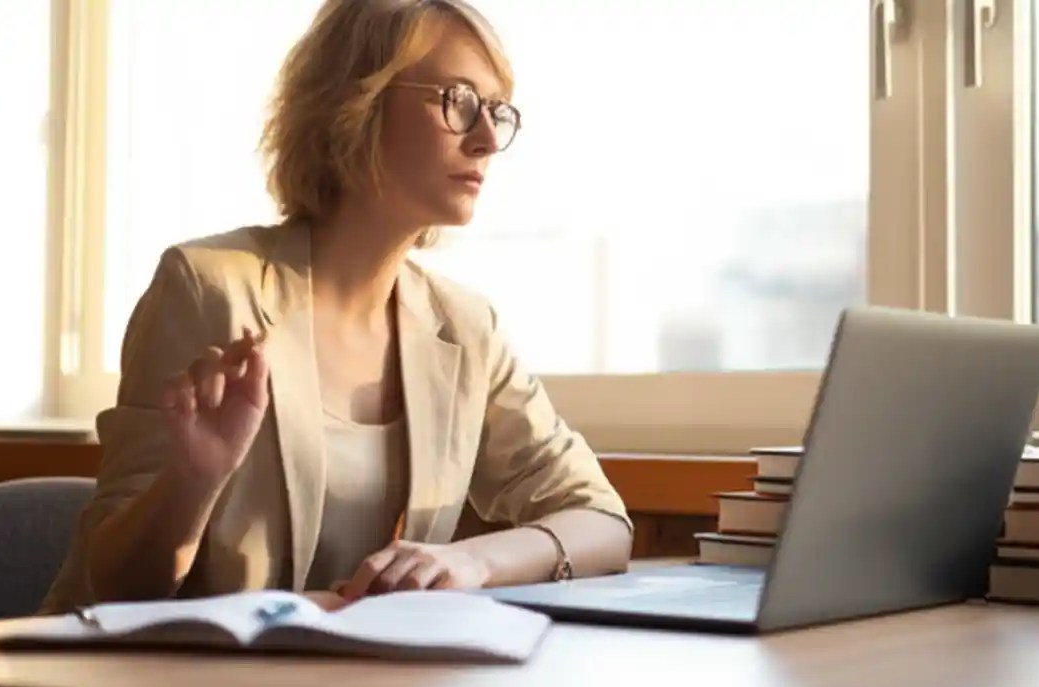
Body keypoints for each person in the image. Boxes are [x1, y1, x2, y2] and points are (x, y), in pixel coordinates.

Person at [40, 0, 631, 615]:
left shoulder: (466, 328)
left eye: (497, 112)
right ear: (356, 103)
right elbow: (116, 586)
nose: (486, 140)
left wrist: (471, 561)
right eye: (458, 101)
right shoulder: (207, 289)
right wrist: (192, 481)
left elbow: (601, 520)